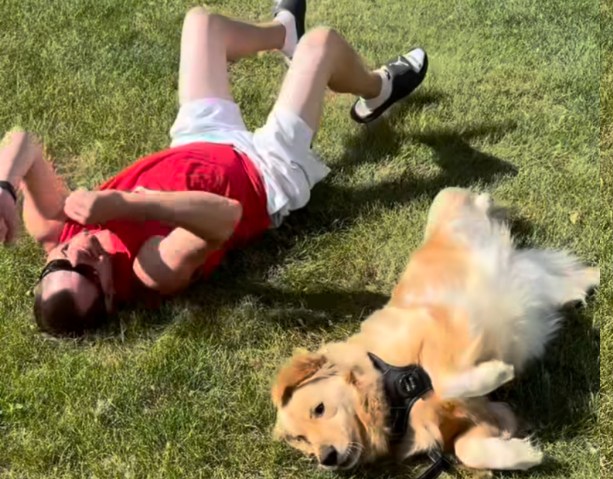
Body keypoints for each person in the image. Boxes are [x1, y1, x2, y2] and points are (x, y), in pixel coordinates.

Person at [0, 0, 428, 335]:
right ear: (111, 298)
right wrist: (123, 204)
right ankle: (378, 88)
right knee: (322, 44)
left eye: (60, 263)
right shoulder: (152, 271)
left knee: (202, 24)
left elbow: (24, 143)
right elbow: (226, 215)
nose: (77, 253)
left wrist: (4, 187)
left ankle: (283, 32)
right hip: (264, 172)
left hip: (199, 142)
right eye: (87, 272)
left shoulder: (56, 231)